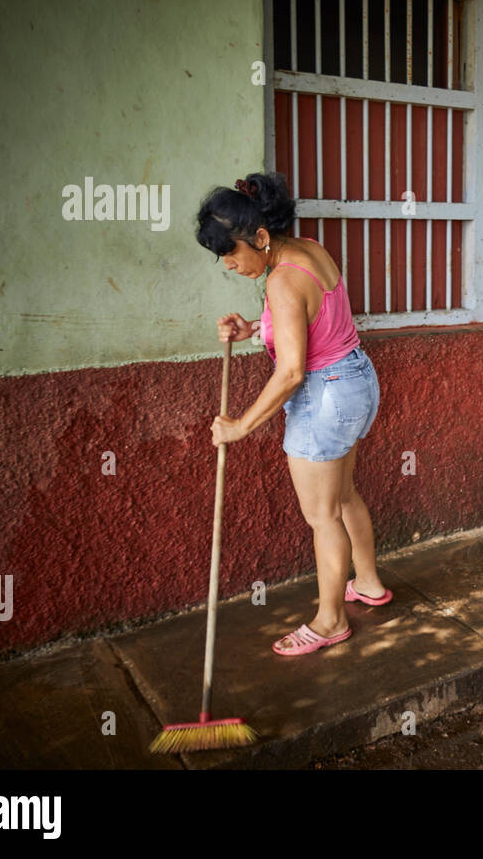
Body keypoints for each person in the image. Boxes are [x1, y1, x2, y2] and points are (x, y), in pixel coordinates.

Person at [195, 171, 388, 657]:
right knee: (343, 498)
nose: (229, 264)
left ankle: (330, 622)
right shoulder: (307, 249)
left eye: (231, 252)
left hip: (324, 397)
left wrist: (241, 426)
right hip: (356, 380)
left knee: (322, 516)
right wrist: (252, 331)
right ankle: (366, 583)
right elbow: (309, 323)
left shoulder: (281, 281)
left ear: (260, 237)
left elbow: (292, 372)